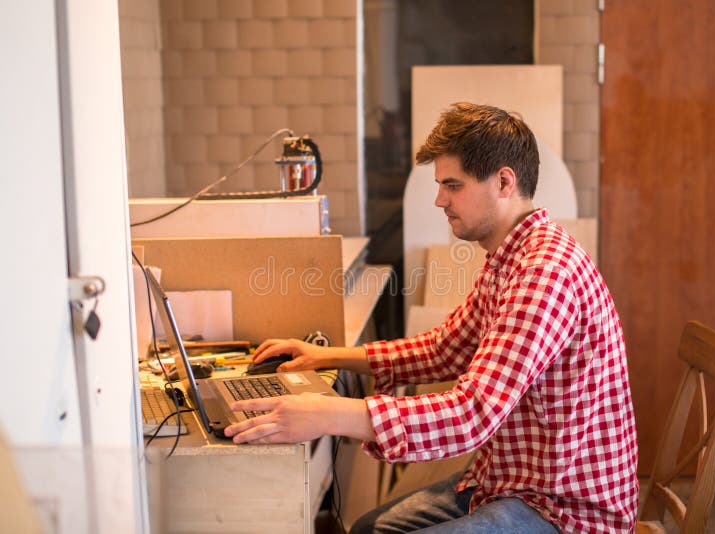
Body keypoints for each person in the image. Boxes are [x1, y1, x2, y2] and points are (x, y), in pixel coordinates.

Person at [224, 102, 639, 533]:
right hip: (511, 479)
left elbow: (472, 414)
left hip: (564, 509)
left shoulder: (544, 274)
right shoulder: (510, 257)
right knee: (370, 529)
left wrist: (327, 413)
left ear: (503, 182)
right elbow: (445, 349)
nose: (440, 200)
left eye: (453, 186)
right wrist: (326, 357)